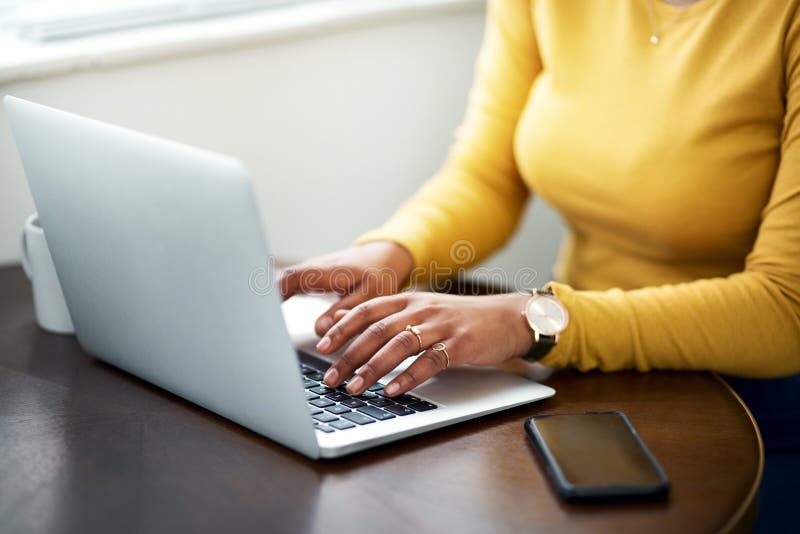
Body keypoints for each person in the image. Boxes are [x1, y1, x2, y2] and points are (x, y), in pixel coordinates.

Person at [280, 1, 800, 529]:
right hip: (585, 372)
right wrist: (393, 253)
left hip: (756, 409)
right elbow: (488, 174)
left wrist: (527, 319)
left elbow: (787, 307)